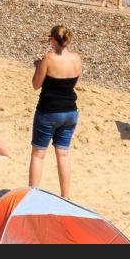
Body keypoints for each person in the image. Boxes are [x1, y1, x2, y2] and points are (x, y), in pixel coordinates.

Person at [28, 23, 81, 200]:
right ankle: (65, 196)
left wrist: (38, 65)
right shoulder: (76, 58)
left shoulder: (48, 58)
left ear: (53, 39)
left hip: (49, 111)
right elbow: (74, 84)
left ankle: (33, 195)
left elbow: (36, 84)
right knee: (63, 154)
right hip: (70, 111)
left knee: (38, 155)